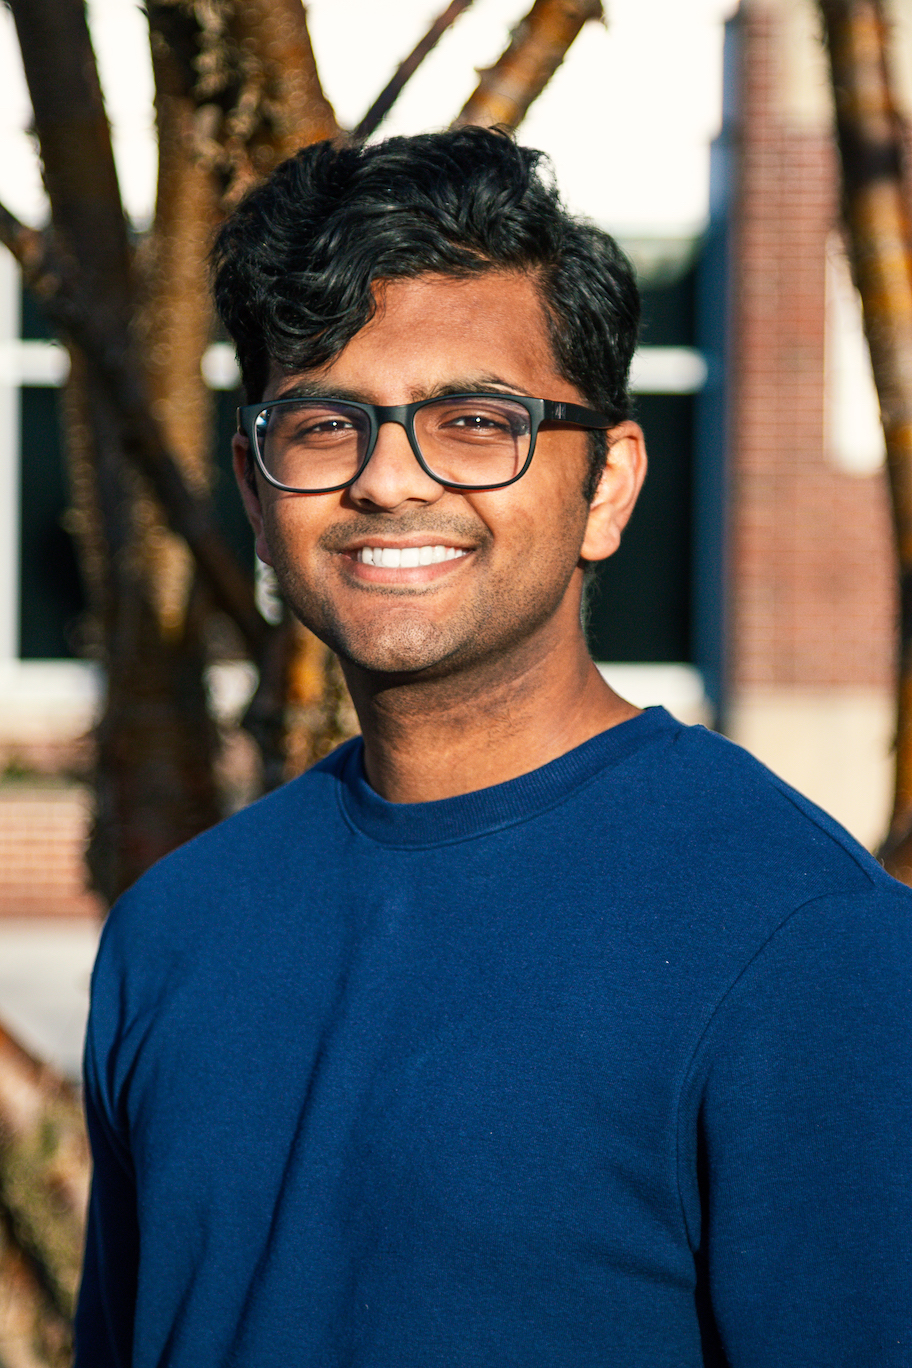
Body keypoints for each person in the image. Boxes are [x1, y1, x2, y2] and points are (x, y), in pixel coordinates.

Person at [75, 127, 912, 1367]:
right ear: (255, 490)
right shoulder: (176, 929)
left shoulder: (803, 945)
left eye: (475, 421)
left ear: (606, 486)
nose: (389, 481)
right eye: (325, 425)